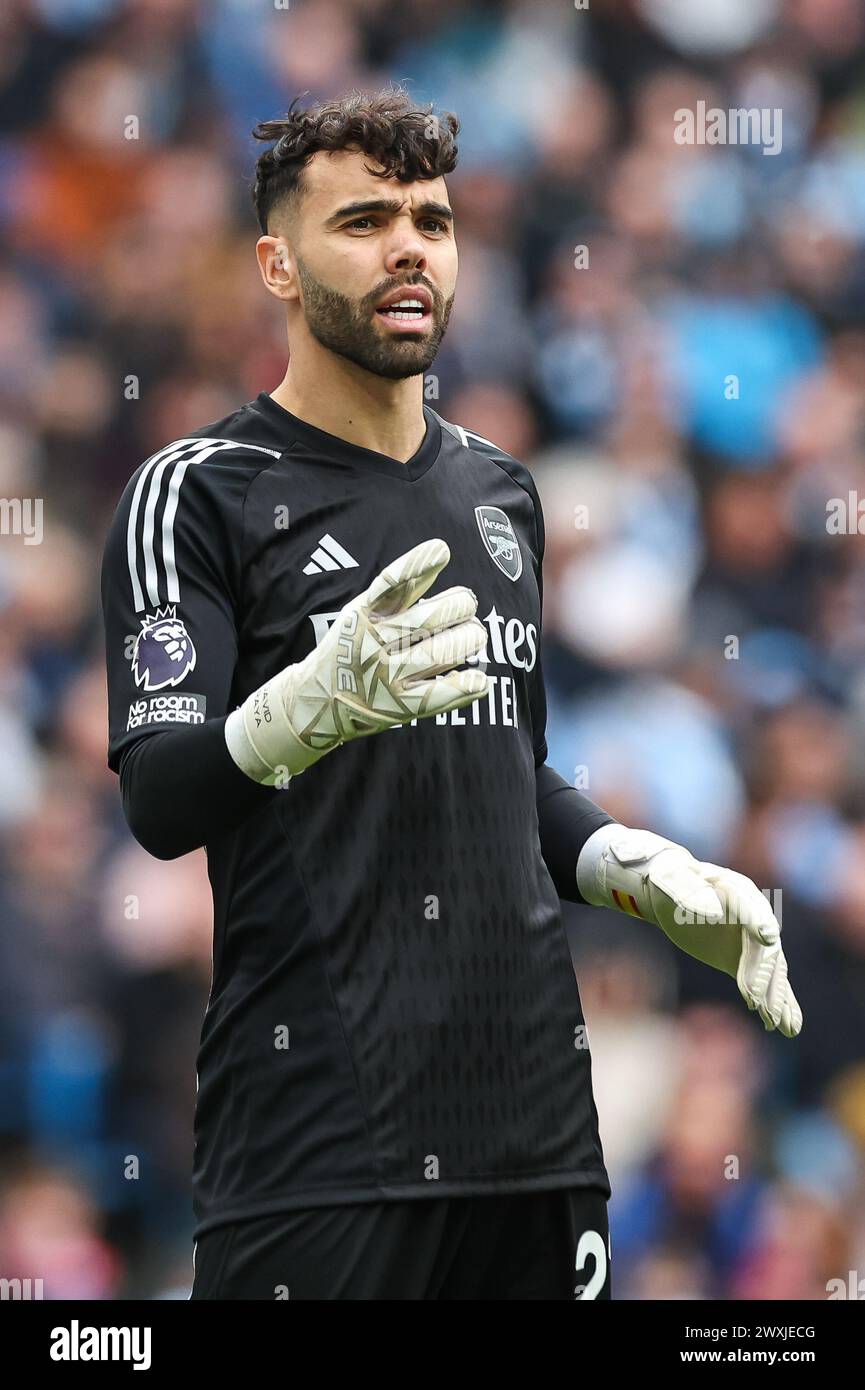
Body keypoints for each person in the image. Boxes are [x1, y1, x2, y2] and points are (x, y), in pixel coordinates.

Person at [100, 87, 801, 1301]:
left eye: (431, 218)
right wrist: (301, 707)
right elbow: (162, 796)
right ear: (277, 261)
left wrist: (626, 863)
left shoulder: (502, 492)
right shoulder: (197, 491)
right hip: (319, 1149)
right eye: (363, 220)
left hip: (535, 1148)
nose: (409, 246)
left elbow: (503, 769)